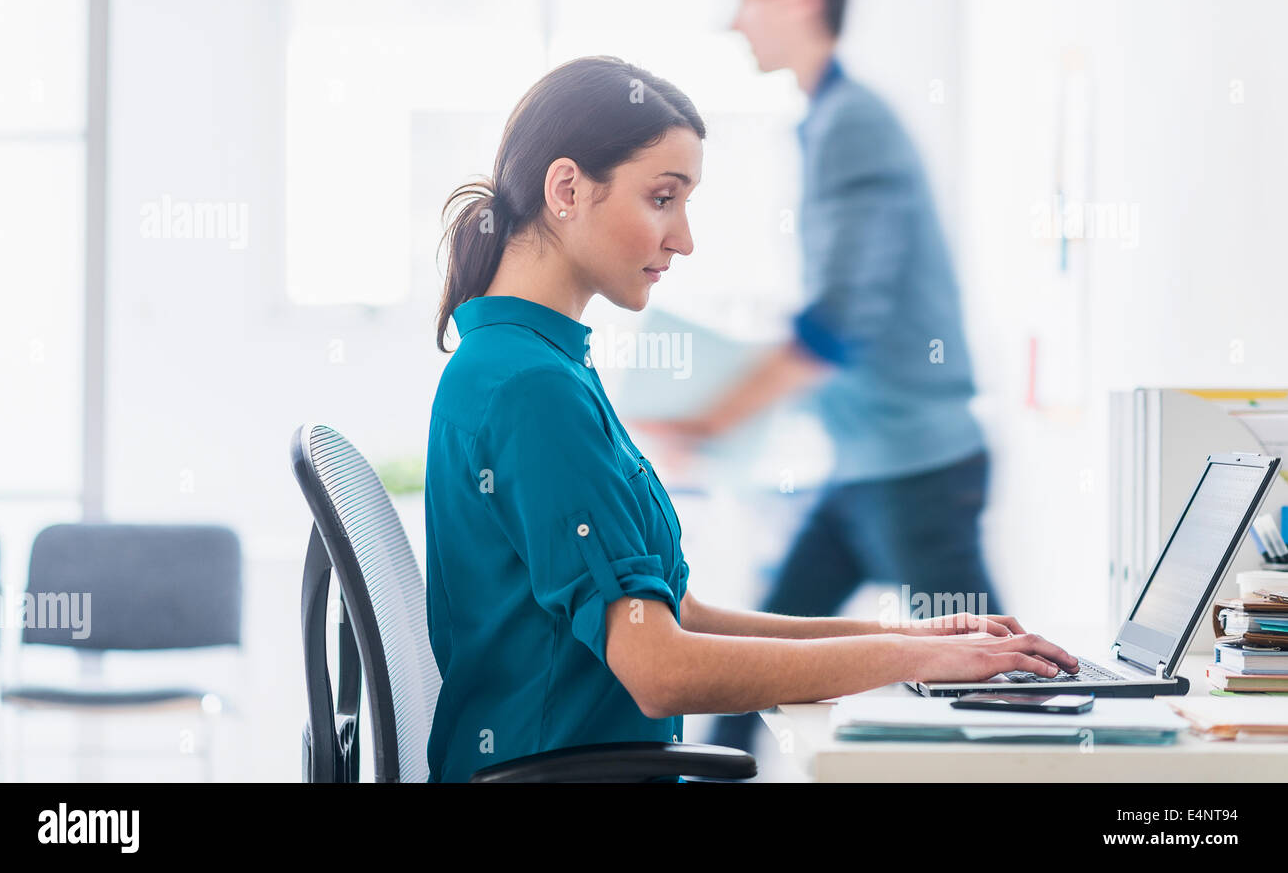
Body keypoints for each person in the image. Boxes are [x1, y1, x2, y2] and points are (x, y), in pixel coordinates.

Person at [424, 54, 1077, 783]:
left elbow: (684, 616)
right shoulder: (530, 388)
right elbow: (660, 669)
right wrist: (915, 658)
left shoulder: (537, 366)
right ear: (568, 188)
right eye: (663, 197)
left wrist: (907, 636)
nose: (684, 238)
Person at [632, 0, 1006, 757]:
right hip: (866, 465)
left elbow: (835, 326)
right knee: (751, 665)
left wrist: (709, 422)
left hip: (915, 466)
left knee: (991, 680)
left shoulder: (852, 124)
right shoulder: (825, 122)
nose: (737, 24)